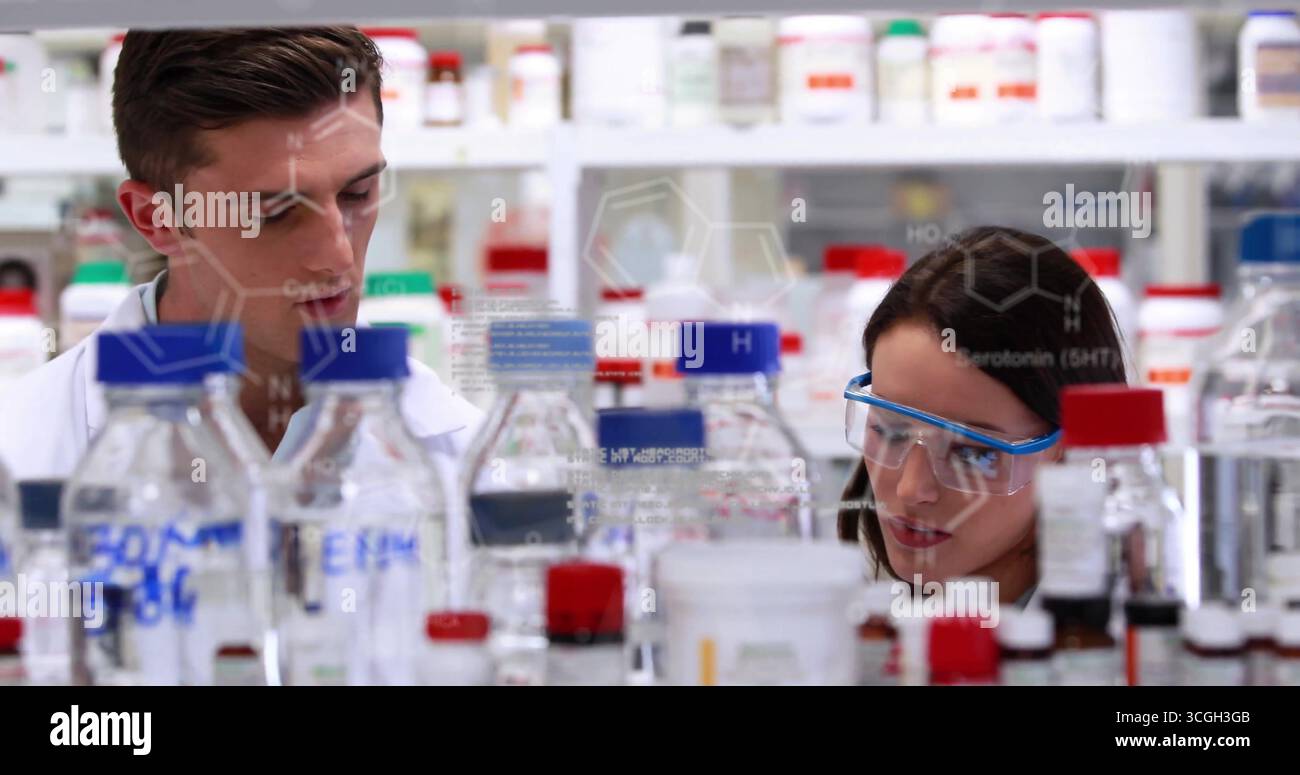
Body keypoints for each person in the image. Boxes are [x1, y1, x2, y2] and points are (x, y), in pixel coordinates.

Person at [0, 27, 481, 479]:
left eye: (357, 194)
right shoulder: (20, 453)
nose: (337, 257)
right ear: (155, 218)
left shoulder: (465, 456)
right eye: (274, 212)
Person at [837, 226, 1128, 606]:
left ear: (1070, 450)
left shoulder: (1114, 648)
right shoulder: (853, 613)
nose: (912, 489)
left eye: (972, 453)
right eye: (890, 432)